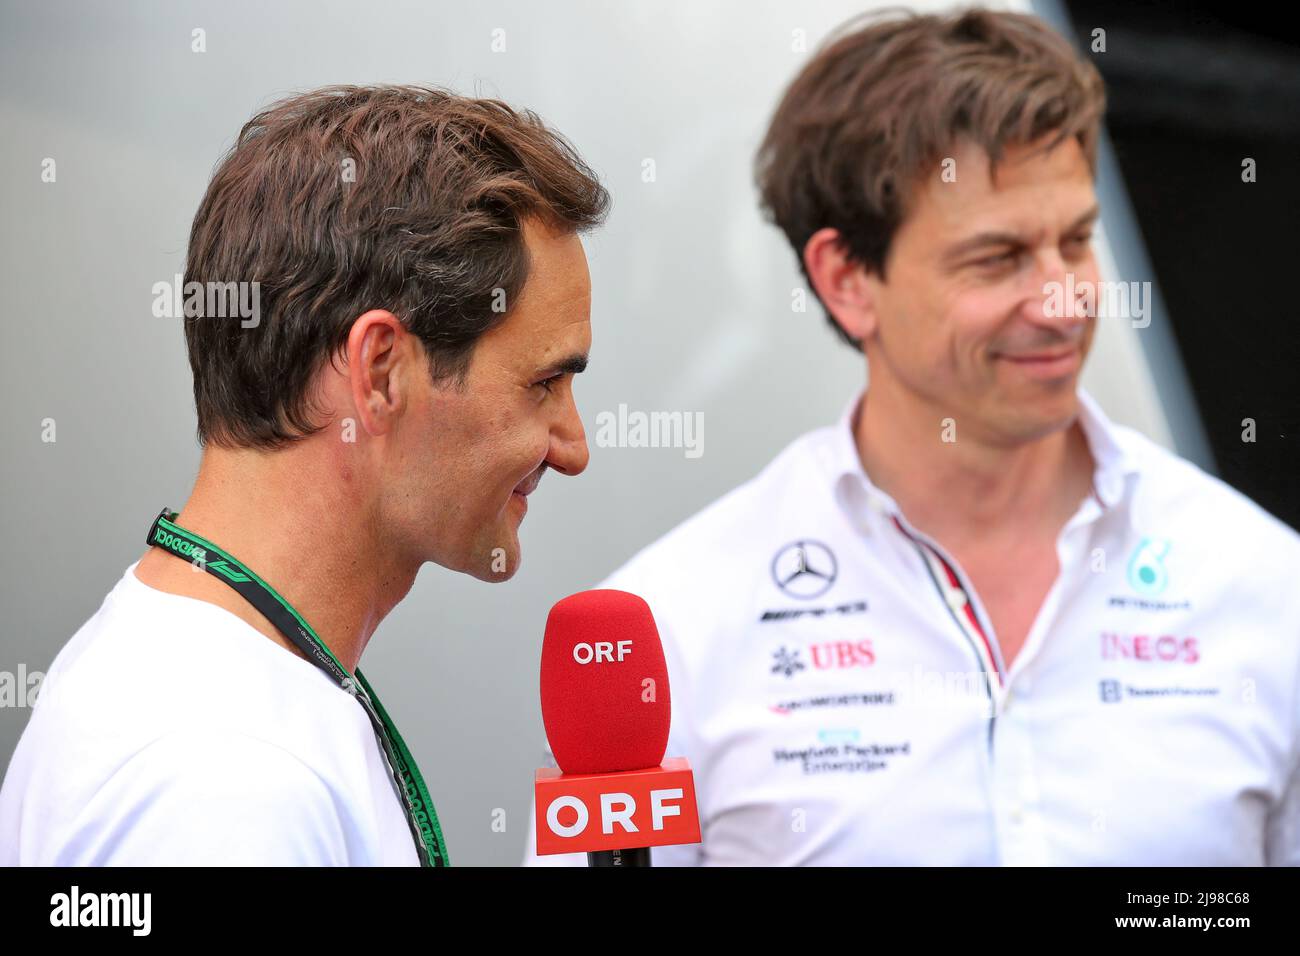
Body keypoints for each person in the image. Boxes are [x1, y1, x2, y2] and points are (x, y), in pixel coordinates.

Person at [524, 8, 1300, 865]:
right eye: (997, 258)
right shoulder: (676, 629)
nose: (1063, 300)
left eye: (1076, 242)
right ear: (847, 278)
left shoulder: (1267, 588)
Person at [0, 85, 609, 865]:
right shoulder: (225, 783)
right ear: (381, 372)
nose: (572, 446)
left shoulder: (224, 701)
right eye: (544, 384)